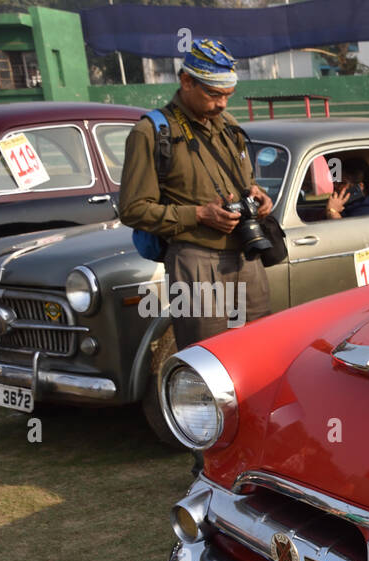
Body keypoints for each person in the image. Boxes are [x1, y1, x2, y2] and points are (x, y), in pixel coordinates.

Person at [119, 38, 273, 352]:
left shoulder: (228, 126)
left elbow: (246, 180)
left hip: (246, 256)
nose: (222, 104)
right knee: (209, 356)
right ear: (186, 81)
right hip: (196, 262)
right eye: (214, 94)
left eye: (228, 95)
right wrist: (199, 215)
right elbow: (133, 209)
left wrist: (257, 195)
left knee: (258, 349)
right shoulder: (151, 132)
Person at [325, 155, 369, 219]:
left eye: (342, 183)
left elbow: (346, 229)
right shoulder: (352, 203)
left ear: (359, 187)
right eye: (336, 182)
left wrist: (333, 211)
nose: (336, 186)